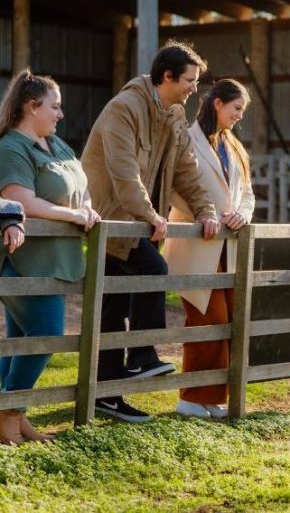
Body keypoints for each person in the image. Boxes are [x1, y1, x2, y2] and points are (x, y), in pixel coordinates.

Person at [80, 41, 219, 423]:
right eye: (190, 80)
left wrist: (206, 209)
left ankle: (106, 396)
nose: (195, 88)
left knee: (113, 308)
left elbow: (187, 172)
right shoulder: (123, 109)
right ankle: (142, 355)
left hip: (138, 222)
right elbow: (124, 176)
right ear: (168, 76)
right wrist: (153, 216)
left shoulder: (174, 115)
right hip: (111, 220)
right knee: (153, 271)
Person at [0, 71, 100, 444]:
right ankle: (9, 413)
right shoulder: (12, 147)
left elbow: (82, 186)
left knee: (21, 343)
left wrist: (86, 208)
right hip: (24, 260)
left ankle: (15, 414)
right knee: (46, 336)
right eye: (54, 106)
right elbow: (21, 200)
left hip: (57, 260)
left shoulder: (56, 145)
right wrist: (73, 216)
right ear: (32, 106)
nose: (60, 114)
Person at [164, 79, 255, 419]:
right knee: (207, 320)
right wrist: (203, 213)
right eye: (236, 109)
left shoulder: (234, 146)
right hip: (195, 244)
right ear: (217, 103)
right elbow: (172, 185)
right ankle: (191, 397)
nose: (238, 117)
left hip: (227, 250)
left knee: (226, 322)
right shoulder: (186, 138)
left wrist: (242, 215)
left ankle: (212, 398)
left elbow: (247, 192)